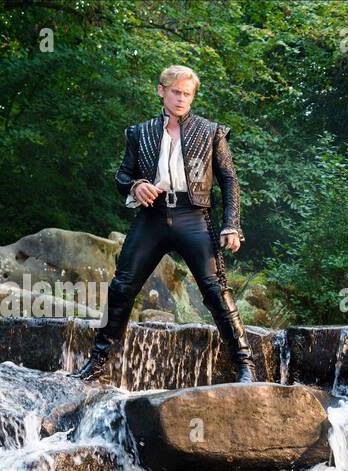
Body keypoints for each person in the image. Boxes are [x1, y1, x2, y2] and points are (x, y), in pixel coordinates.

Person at [70, 64, 255, 384]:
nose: (182, 99)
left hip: (194, 216)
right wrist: (134, 186)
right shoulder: (139, 132)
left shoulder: (211, 132)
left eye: (188, 94)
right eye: (176, 92)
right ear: (161, 91)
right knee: (122, 286)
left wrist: (231, 225)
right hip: (152, 217)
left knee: (214, 289)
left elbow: (229, 180)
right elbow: (122, 176)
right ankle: (98, 362)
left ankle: (245, 365)